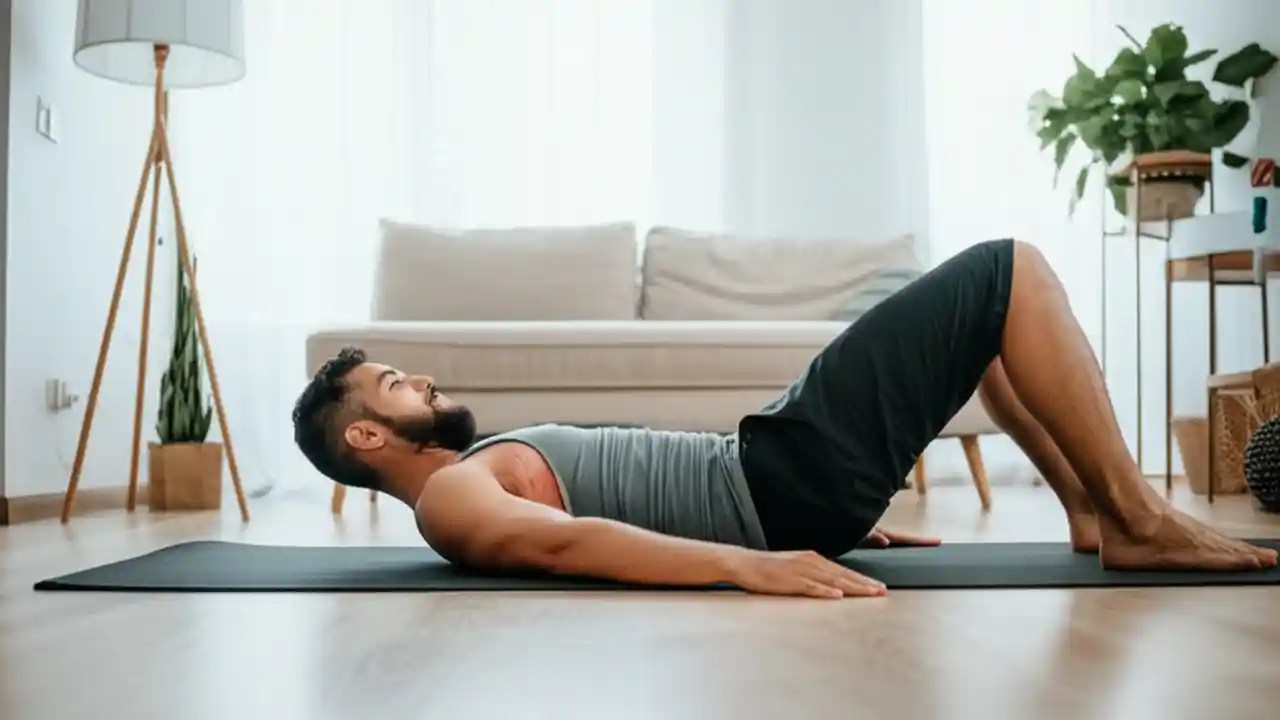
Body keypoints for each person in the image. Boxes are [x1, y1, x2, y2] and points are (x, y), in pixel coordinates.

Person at [291, 239, 1277, 599]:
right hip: (776, 479)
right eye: (391, 385)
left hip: (776, 481)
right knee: (1006, 269)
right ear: (368, 439)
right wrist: (750, 558)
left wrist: (820, 520)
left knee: (981, 324)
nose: (415, 378)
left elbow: (612, 504)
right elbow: (566, 547)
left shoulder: (464, 479)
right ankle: (1137, 520)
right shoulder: (453, 499)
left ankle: (1090, 516)